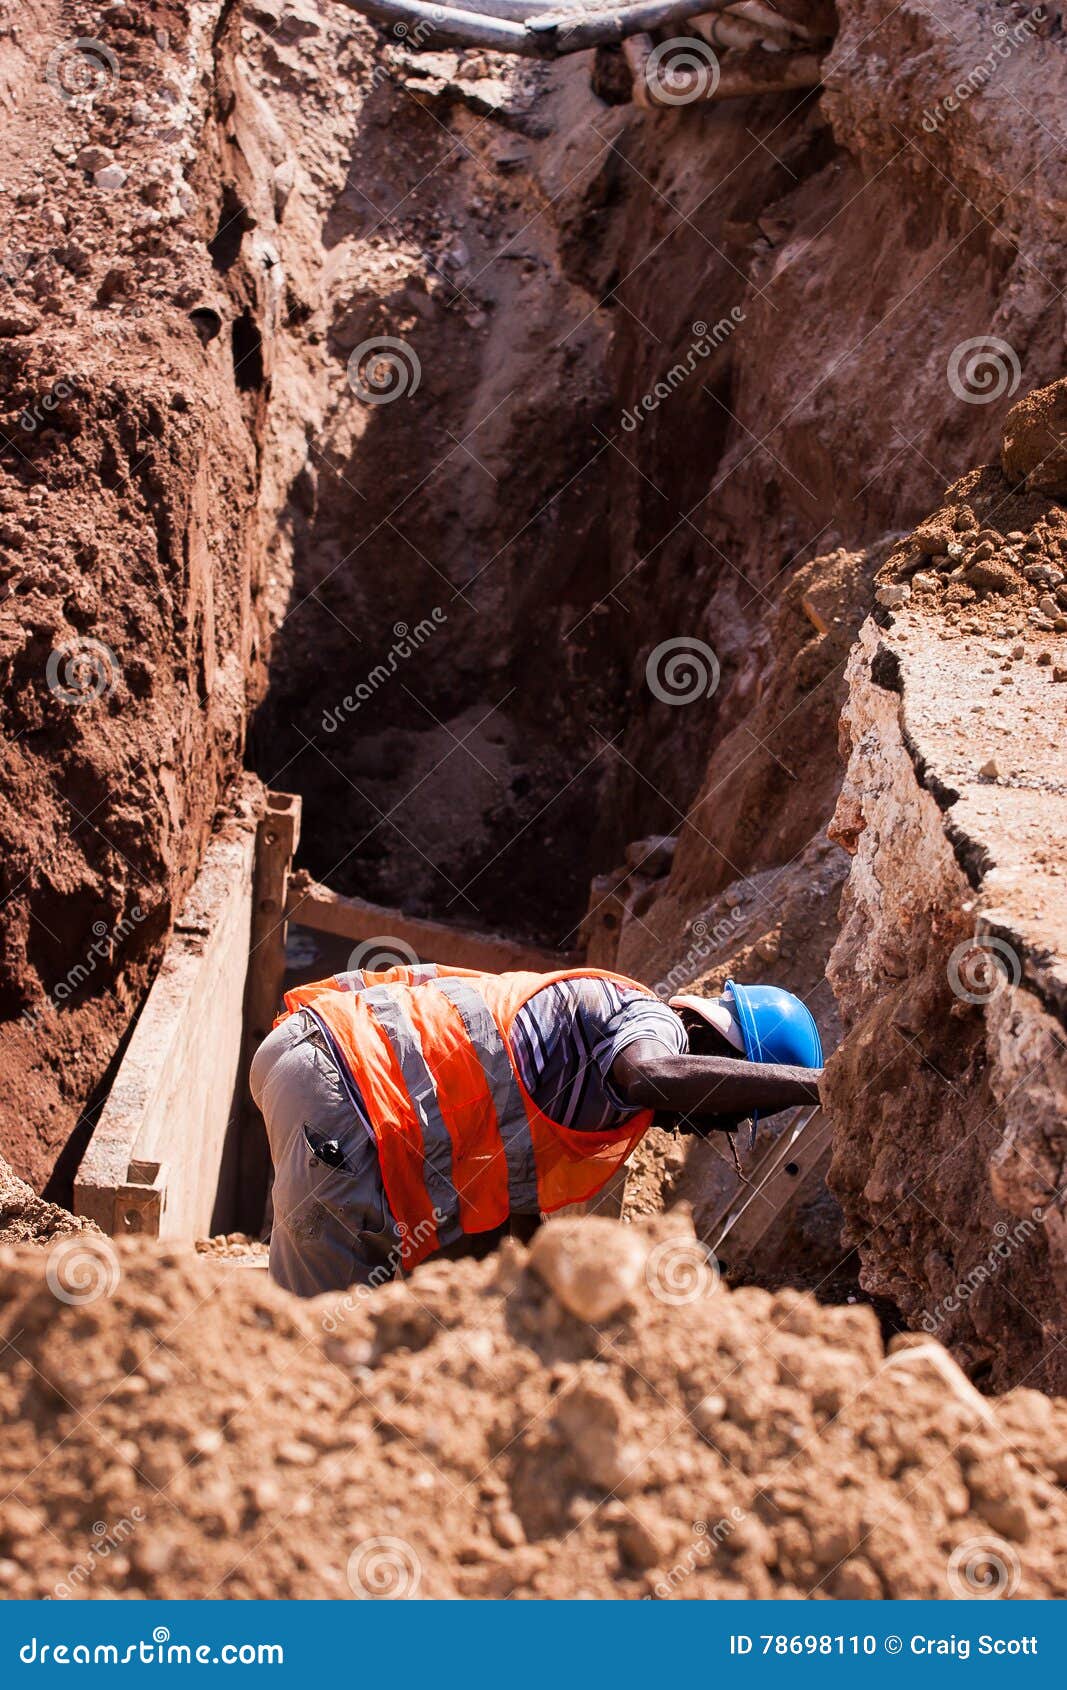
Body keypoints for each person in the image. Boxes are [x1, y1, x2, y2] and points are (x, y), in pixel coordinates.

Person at [249, 961, 823, 1297]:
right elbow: (652, 1073)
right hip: (345, 1094)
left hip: (326, 1077)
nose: (699, 1130)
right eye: (723, 1110)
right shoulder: (652, 1023)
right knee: (317, 1346)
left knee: (363, 1324)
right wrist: (823, 1087)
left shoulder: (580, 1072)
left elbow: (500, 1218)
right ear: (712, 1048)